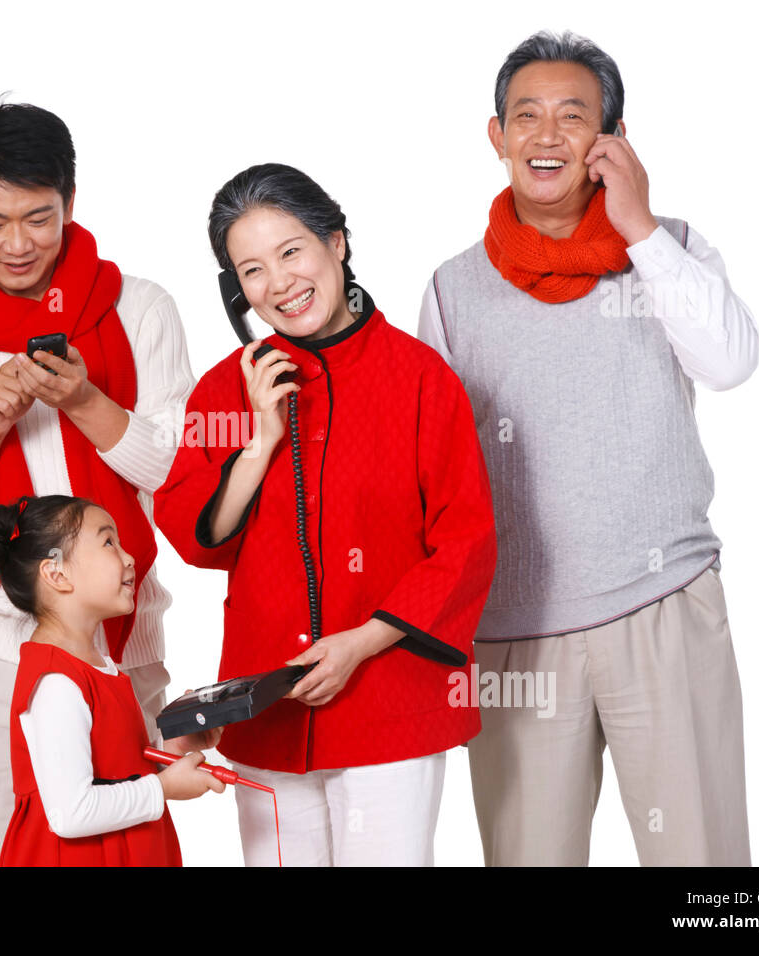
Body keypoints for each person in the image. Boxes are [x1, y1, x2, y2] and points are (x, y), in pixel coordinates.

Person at [417, 30, 759, 866]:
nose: (546, 135)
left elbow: (732, 361)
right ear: (495, 137)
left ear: (612, 141)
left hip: (662, 600)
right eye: (525, 115)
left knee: (703, 867)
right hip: (514, 630)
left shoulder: (669, 246)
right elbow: (437, 469)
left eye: (573, 116)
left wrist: (639, 226)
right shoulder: (451, 289)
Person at [153, 163, 498, 866]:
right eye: (251, 270)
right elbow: (197, 533)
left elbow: (465, 542)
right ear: (235, 289)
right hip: (267, 707)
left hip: (389, 703)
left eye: (291, 252)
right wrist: (259, 439)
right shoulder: (228, 385)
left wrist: (360, 644)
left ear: (336, 243)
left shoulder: (422, 378)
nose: (277, 283)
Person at [0, 101, 196, 866]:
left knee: (125, 838)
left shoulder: (140, 309)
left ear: (70, 203)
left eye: (40, 217)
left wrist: (87, 404)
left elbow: (182, 474)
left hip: (121, 633)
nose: (18, 244)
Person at [0, 494, 224, 866]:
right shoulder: (57, 682)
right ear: (57, 573)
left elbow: (119, 767)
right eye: (108, 542)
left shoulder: (100, 667)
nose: (129, 557)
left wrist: (175, 743)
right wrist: (164, 788)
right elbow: (72, 811)